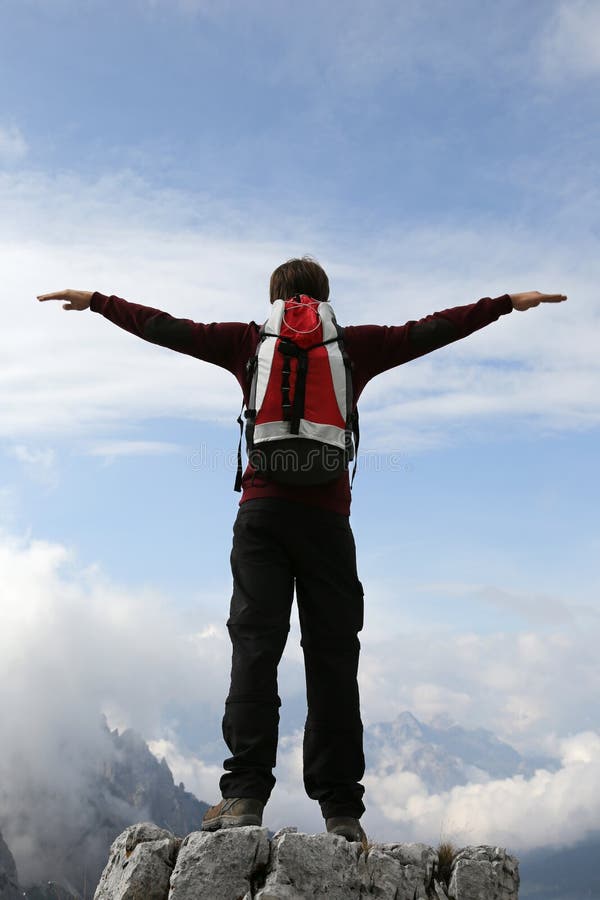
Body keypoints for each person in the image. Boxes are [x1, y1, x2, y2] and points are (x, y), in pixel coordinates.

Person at [37, 259, 567, 845]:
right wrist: (501, 303)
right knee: (334, 659)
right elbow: (431, 330)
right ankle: (342, 811)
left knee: (256, 649)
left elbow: (168, 327)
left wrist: (98, 301)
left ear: (275, 299)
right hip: (327, 524)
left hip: (261, 517)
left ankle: (243, 797)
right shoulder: (355, 347)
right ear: (324, 298)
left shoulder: (247, 342)